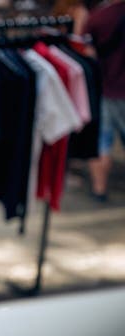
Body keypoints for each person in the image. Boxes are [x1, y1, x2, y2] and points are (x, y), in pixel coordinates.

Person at [83, 0, 125, 201]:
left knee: (101, 142)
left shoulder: (98, 17)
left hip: (104, 88)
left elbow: (86, 52)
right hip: (114, 90)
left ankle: (99, 189)